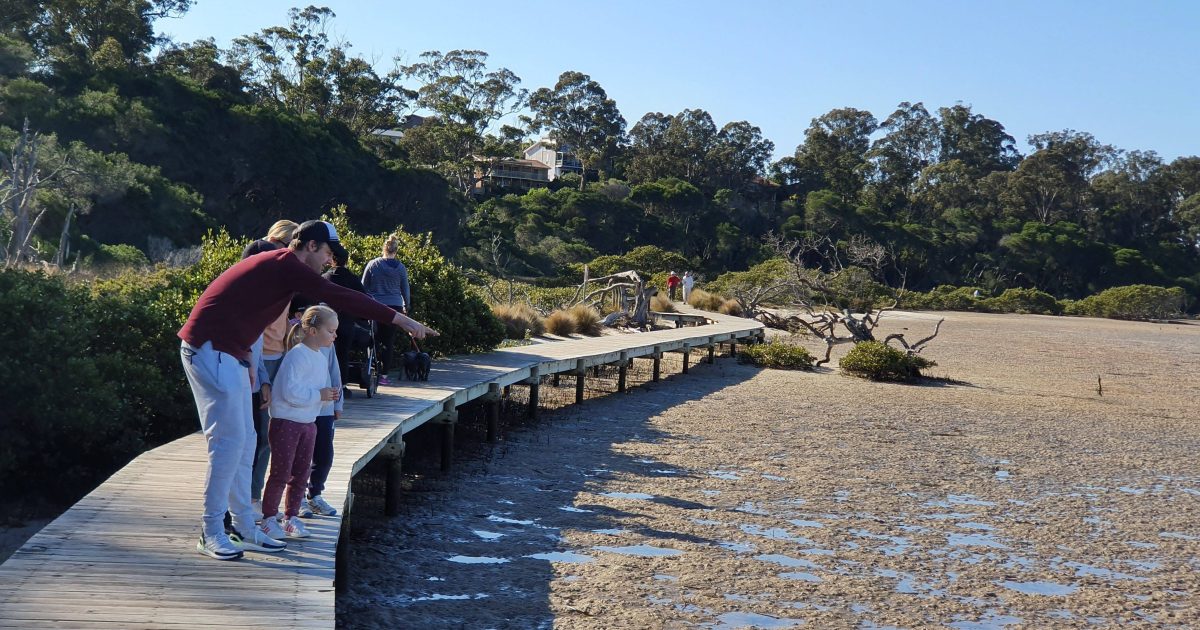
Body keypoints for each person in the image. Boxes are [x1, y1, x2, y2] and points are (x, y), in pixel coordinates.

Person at [178, 220, 437, 561]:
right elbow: (340, 296)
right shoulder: (288, 265)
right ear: (310, 246)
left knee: (246, 442)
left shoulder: (281, 271)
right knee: (228, 443)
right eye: (328, 253)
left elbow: (244, 309)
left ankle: (242, 526)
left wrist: (251, 363)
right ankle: (210, 531)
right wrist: (401, 320)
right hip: (210, 349)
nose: (331, 262)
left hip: (232, 352)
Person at [258, 305, 339, 539]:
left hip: (308, 422)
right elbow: (290, 391)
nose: (335, 335)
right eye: (331, 330)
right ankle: (268, 518)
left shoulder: (319, 357)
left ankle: (291, 517)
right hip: (287, 422)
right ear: (313, 331)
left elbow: (317, 392)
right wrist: (319, 395)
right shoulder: (296, 355)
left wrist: (327, 398)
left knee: (301, 474)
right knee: (281, 472)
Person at [302, 333, 343, 518]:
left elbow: (335, 372)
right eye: (330, 329)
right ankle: (297, 497)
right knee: (300, 454)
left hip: (325, 409)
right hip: (301, 408)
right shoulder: (297, 342)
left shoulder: (329, 344)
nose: (334, 334)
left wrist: (338, 404)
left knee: (325, 454)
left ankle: (315, 494)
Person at [361, 234, 410, 385]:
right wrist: (406, 305)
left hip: (376, 306)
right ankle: (384, 376)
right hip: (395, 307)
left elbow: (363, 285)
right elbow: (405, 289)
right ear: (396, 251)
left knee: (373, 338)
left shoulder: (373, 264)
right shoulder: (401, 268)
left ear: (383, 249)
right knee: (389, 342)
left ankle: (370, 367)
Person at [322, 248, 367, 395]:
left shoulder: (325, 277)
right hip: (347, 322)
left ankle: (326, 382)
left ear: (332, 259)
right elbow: (364, 299)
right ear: (347, 261)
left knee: (327, 353)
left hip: (327, 322)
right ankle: (343, 385)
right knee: (343, 354)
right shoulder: (352, 279)